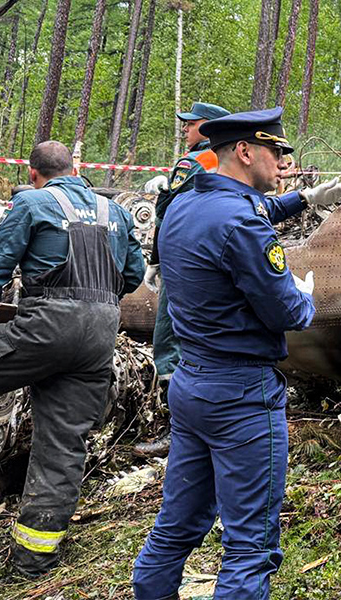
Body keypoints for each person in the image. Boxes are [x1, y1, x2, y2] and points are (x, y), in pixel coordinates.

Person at [131, 108, 341, 600]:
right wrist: (304, 293)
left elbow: (245, 210)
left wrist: (305, 198)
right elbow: (288, 313)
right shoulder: (241, 224)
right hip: (240, 398)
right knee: (250, 546)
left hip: (192, 384)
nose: (282, 162)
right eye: (276, 152)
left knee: (176, 527)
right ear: (244, 151)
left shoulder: (186, 206)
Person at [0, 141, 145, 577]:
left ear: (34, 173)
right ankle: (35, 561)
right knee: (62, 442)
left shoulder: (32, 202)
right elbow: (133, 274)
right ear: (74, 171)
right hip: (101, 334)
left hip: (47, 325)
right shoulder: (113, 211)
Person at [136, 101, 231, 458]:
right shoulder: (231, 160)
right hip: (215, 263)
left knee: (169, 344)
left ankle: (178, 433)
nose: (185, 129)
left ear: (206, 128)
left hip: (184, 262)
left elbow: (167, 214)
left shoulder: (193, 162)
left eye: (190, 125)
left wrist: (155, 262)